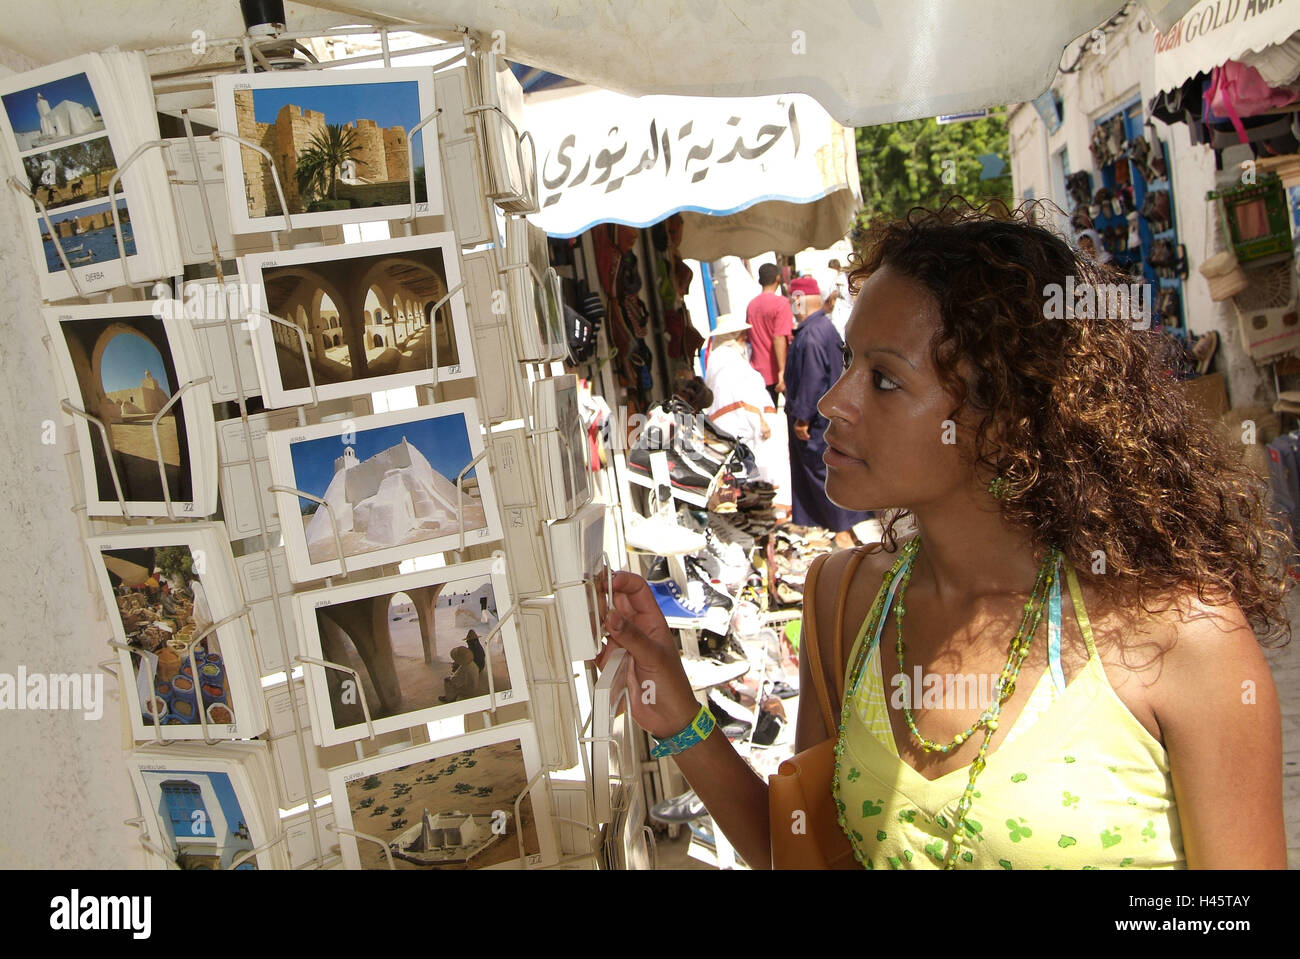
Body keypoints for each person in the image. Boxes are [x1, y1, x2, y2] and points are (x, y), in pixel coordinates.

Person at [595, 200, 1288, 869]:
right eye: (847, 365)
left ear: (1007, 417)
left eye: (886, 380)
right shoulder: (846, 602)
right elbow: (800, 850)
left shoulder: (1180, 637)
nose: (836, 402)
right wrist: (681, 711)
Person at [784, 285, 871, 547]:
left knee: (821, 471)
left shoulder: (812, 334)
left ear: (800, 301)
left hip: (817, 420)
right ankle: (844, 527)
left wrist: (803, 418)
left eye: (794, 300)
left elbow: (813, 379)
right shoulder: (822, 328)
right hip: (825, 416)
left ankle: (842, 530)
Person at [745, 262, 794, 406]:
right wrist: (782, 371)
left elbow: (749, 336)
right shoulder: (781, 303)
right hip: (779, 370)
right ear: (778, 278)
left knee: (766, 418)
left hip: (759, 371)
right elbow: (779, 337)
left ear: (760, 281)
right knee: (792, 416)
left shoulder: (751, 306)